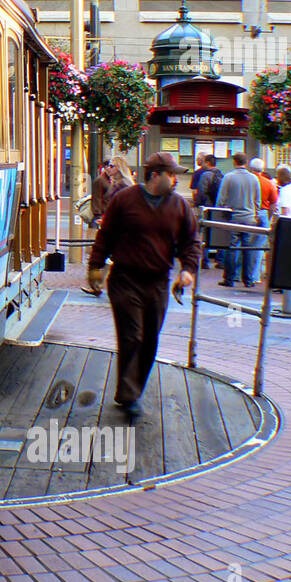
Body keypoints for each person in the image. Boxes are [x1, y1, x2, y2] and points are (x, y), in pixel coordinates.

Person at [87, 151, 200, 421]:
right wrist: (96, 266)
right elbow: (106, 235)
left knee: (150, 339)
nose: (175, 180)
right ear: (156, 175)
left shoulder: (179, 206)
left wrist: (188, 270)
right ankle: (129, 395)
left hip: (158, 282)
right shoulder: (125, 200)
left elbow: (191, 242)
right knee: (132, 335)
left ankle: (134, 388)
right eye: (171, 174)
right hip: (125, 279)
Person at [215, 151, 261, 287]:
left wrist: (221, 213)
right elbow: (257, 201)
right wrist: (255, 213)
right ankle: (248, 280)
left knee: (231, 248)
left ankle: (229, 279)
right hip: (249, 218)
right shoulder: (254, 179)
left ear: (234, 162)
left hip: (233, 217)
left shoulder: (228, 177)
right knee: (248, 249)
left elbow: (221, 200)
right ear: (246, 162)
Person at [191, 154, 223, 268]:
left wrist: (198, 204)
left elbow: (201, 193)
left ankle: (205, 262)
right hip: (219, 208)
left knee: (204, 234)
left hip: (207, 207)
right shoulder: (221, 174)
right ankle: (220, 260)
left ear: (208, 162)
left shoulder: (205, 175)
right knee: (219, 234)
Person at [249, 157, 277, 283]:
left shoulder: (248, 181)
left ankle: (240, 274)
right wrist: (269, 216)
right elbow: (273, 203)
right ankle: (255, 276)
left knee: (242, 243)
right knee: (259, 246)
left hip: (248, 212)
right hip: (263, 213)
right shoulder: (268, 183)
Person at [89, 159, 114, 228]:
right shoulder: (100, 180)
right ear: (106, 167)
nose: (113, 169)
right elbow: (97, 198)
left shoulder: (110, 180)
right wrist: (98, 215)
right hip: (101, 215)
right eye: (111, 166)